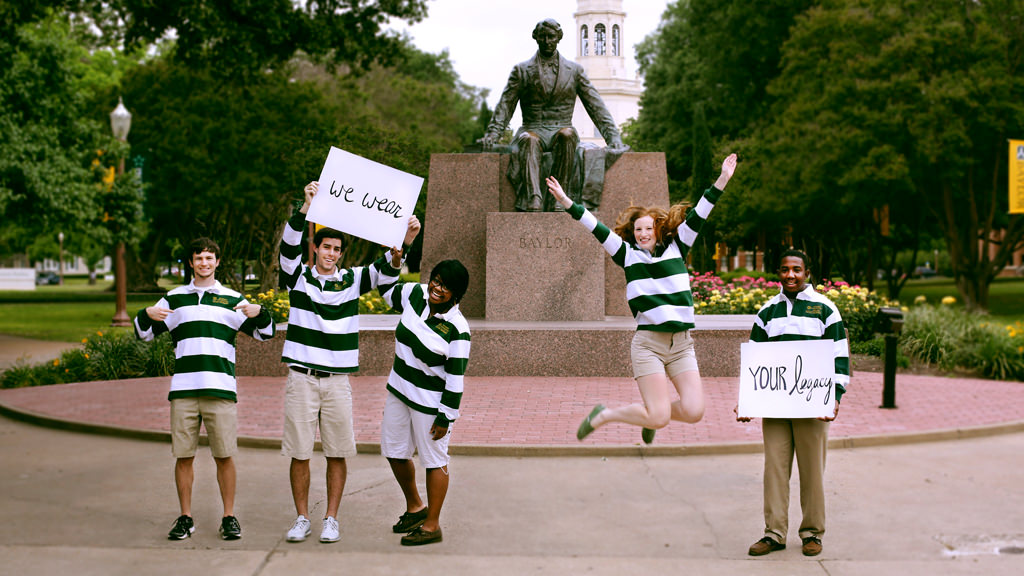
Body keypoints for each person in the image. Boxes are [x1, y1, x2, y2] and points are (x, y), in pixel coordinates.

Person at [546, 153, 738, 444]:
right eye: (638, 230)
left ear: (658, 229)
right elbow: (596, 227)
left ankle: (650, 414)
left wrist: (723, 178)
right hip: (649, 345)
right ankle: (606, 415)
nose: (643, 233)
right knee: (659, 417)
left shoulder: (678, 246)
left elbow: (701, 212)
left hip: (682, 345)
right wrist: (566, 202)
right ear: (632, 235)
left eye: (648, 228)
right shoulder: (627, 255)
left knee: (694, 410)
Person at [278, 180, 418, 544]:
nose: (332, 254)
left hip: (337, 380)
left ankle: (330, 518)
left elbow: (383, 272)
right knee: (300, 451)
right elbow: (286, 251)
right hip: (302, 378)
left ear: (341, 253)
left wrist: (404, 241)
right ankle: (301, 517)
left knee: (338, 451)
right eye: (326, 247)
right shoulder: (299, 279)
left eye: (337, 249)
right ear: (316, 248)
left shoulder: (351, 281)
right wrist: (306, 208)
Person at [134, 237, 275, 541]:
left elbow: (266, 334)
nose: (204, 263)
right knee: (183, 457)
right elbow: (144, 334)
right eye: (199, 258)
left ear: (217, 262)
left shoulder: (231, 298)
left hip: (220, 389)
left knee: (224, 456)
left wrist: (259, 313)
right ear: (190, 262)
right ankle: (185, 517)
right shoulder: (173, 299)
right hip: (184, 389)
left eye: (209, 258)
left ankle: (229, 516)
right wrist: (144, 314)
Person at [737, 249, 850, 557]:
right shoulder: (767, 313)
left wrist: (835, 397)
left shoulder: (825, 310)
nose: (791, 275)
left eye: (797, 269)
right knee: (774, 469)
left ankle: (812, 533)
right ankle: (774, 533)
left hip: (812, 406)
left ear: (807, 273)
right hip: (775, 408)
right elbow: (756, 363)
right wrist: (747, 400)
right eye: (785, 269)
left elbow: (840, 356)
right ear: (778, 272)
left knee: (812, 471)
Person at [481, 18, 625, 212]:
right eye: (543, 37)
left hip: (561, 127)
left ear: (558, 38)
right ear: (536, 38)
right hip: (533, 127)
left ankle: (559, 197)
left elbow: (595, 106)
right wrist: (493, 134)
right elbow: (505, 106)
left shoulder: (574, 70)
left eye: (551, 37)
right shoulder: (522, 70)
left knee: (568, 135)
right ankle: (534, 197)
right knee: (528, 139)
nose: (547, 41)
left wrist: (613, 137)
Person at [376, 252, 471, 547]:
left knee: (434, 461)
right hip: (398, 391)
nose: (437, 288)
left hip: (430, 405)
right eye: (436, 280)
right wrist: (394, 260)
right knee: (394, 451)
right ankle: (416, 507)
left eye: (446, 286)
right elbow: (387, 291)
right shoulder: (416, 295)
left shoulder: (458, 329)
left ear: (456, 294)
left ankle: (432, 525)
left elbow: (456, 378)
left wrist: (445, 417)